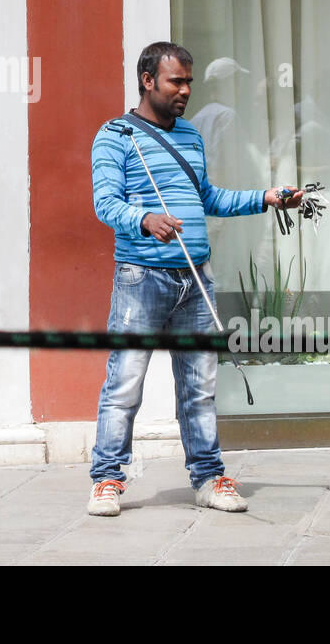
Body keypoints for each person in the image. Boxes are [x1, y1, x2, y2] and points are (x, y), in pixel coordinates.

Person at [86, 41, 302, 517]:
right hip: (142, 278)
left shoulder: (189, 136)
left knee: (200, 386)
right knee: (124, 384)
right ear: (148, 81)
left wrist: (266, 197)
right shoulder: (115, 135)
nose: (185, 90)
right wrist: (145, 219)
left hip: (196, 278)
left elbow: (210, 198)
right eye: (175, 82)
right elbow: (106, 203)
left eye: (189, 82)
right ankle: (106, 480)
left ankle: (208, 477)